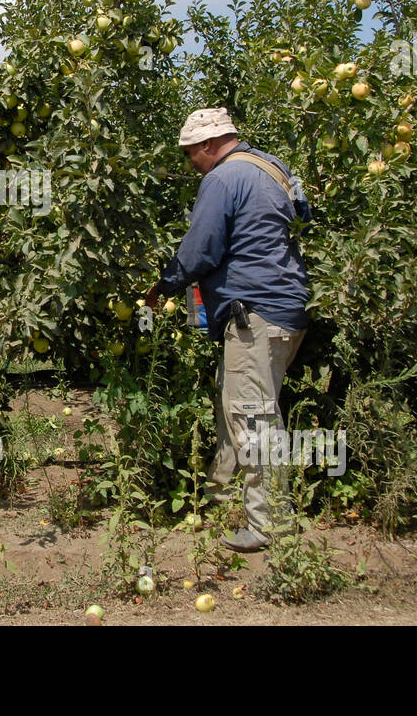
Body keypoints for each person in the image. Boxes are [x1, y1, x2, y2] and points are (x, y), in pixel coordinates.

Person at [145, 107, 312, 553]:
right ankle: (221, 495)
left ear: (207, 144)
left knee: (253, 417)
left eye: (189, 154)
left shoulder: (220, 178)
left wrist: (164, 285)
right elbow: (303, 219)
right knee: (237, 402)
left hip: (253, 314)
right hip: (286, 309)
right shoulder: (274, 167)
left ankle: (270, 525)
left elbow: (202, 247)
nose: (189, 163)